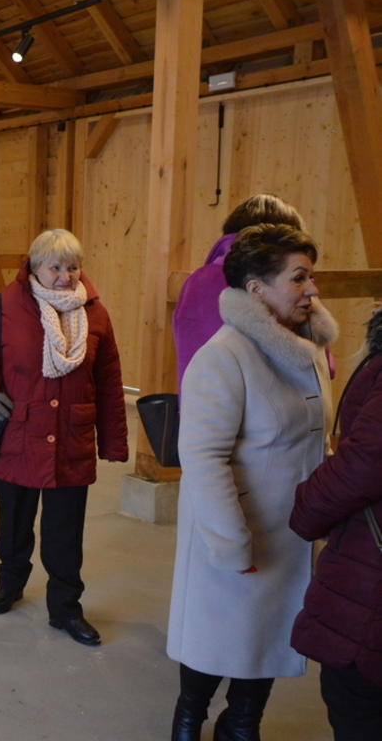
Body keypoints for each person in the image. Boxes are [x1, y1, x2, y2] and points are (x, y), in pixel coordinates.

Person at [168, 223, 338, 741]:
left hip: (289, 533)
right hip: (238, 530)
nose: (312, 290)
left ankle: (241, 724)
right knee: (216, 637)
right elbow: (202, 457)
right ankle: (188, 719)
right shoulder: (223, 358)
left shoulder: (304, 351)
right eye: (299, 278)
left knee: (267, 635)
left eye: (312, 278)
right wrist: (231, 542)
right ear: (257, 289)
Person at [0, 228, 128, 647]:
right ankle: (10, 583)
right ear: (34, 267)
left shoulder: (96, 313)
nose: (66, 277)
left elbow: (108, 378)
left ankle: (66, 607)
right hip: (17, 437)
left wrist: (114, 440)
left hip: (72, 439)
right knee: (13, 524)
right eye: (56, 268)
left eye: (73, 267)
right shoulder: (2, 306)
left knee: (65, 533)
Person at [290, 306, 382, 741]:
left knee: (355, 702)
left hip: (369, 573)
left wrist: (307, 508)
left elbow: (364, 463)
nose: (311, 291)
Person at [172, 194, 306, 388]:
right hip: (265, 407)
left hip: (199, 401)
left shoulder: (197, 279)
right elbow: (317, 364)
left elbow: (187, 347)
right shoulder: (284, 282)